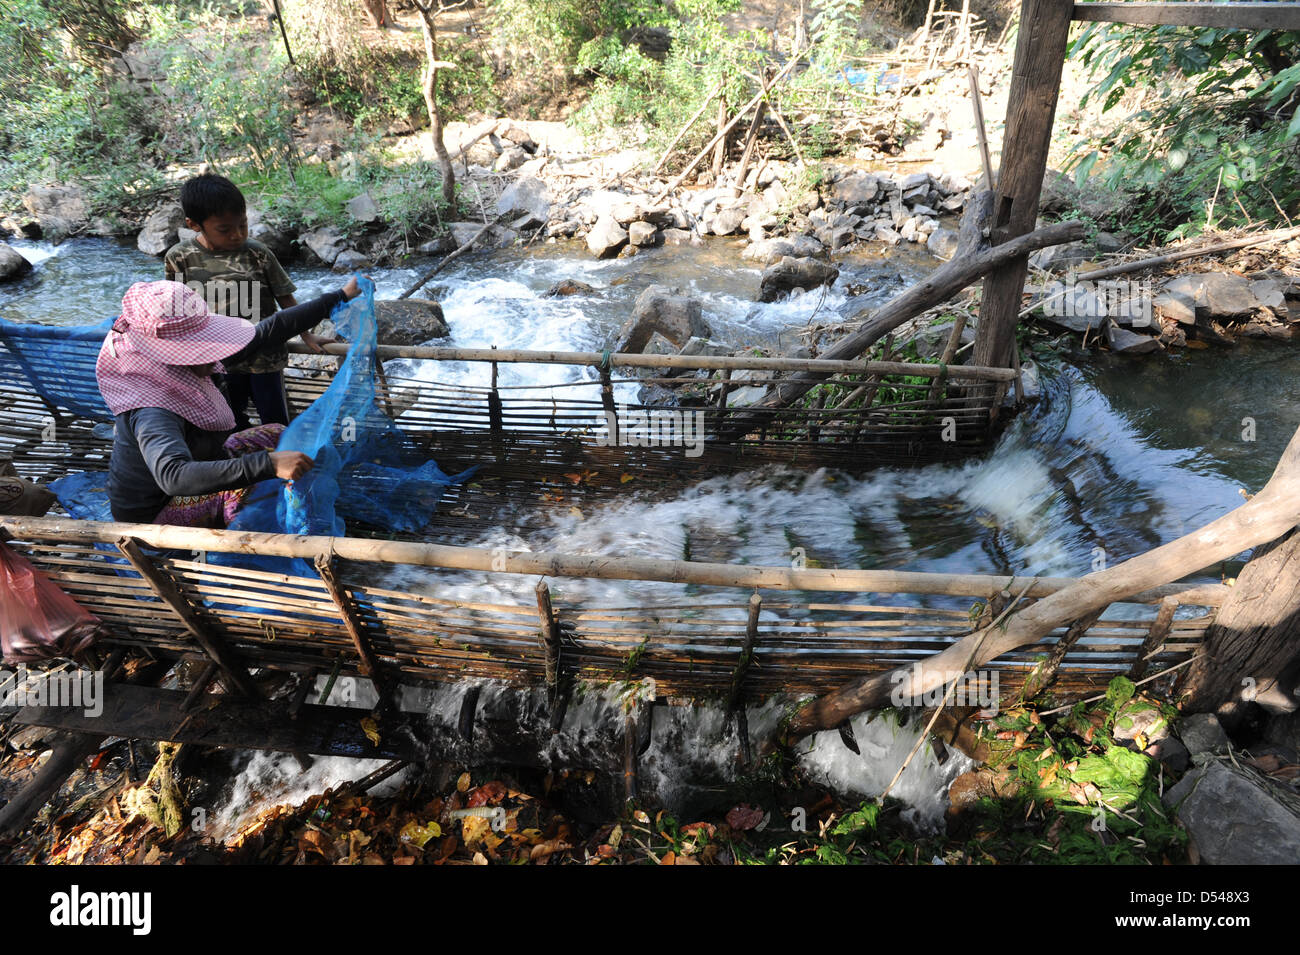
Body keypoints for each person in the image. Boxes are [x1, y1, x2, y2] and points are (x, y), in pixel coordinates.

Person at [96, 277, 363, 528]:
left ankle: (311, 501)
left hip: (206, 461)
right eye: (201, 348)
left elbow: (269, 332)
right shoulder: (152, 408)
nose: (214, 355)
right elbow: (173, 475)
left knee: (279, 433)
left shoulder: (184, 368)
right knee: (251, 488)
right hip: (153, 515)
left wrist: (340, 296)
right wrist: (269, 465)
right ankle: (258, 547)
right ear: (175, 356)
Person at [164, 173, 334, 430]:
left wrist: (307, 336)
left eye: (242, 225)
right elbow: (176, 310)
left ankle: (280, 465)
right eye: (225, 229)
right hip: (217, 360)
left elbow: (285, 298)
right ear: (195, 225)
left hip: (264, 357)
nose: (237, 235)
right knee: (229, 422)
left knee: (275, 422)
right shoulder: (180, 258)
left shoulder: (257, 253)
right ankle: (243, 467)